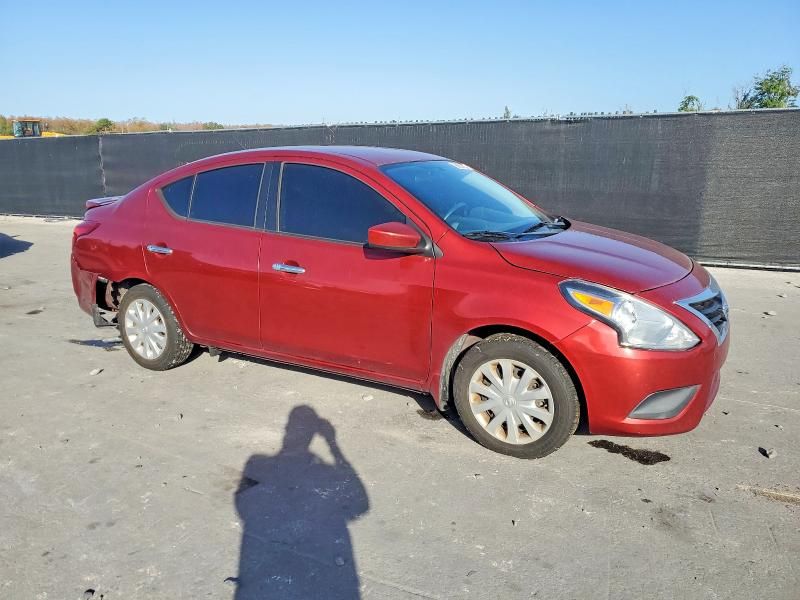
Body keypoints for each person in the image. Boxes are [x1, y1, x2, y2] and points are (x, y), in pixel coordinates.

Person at [233, 405, 369, 599]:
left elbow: (242, 505)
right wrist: (333, 444)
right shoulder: (320, 470)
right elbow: (361, 504)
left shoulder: (257, 462)